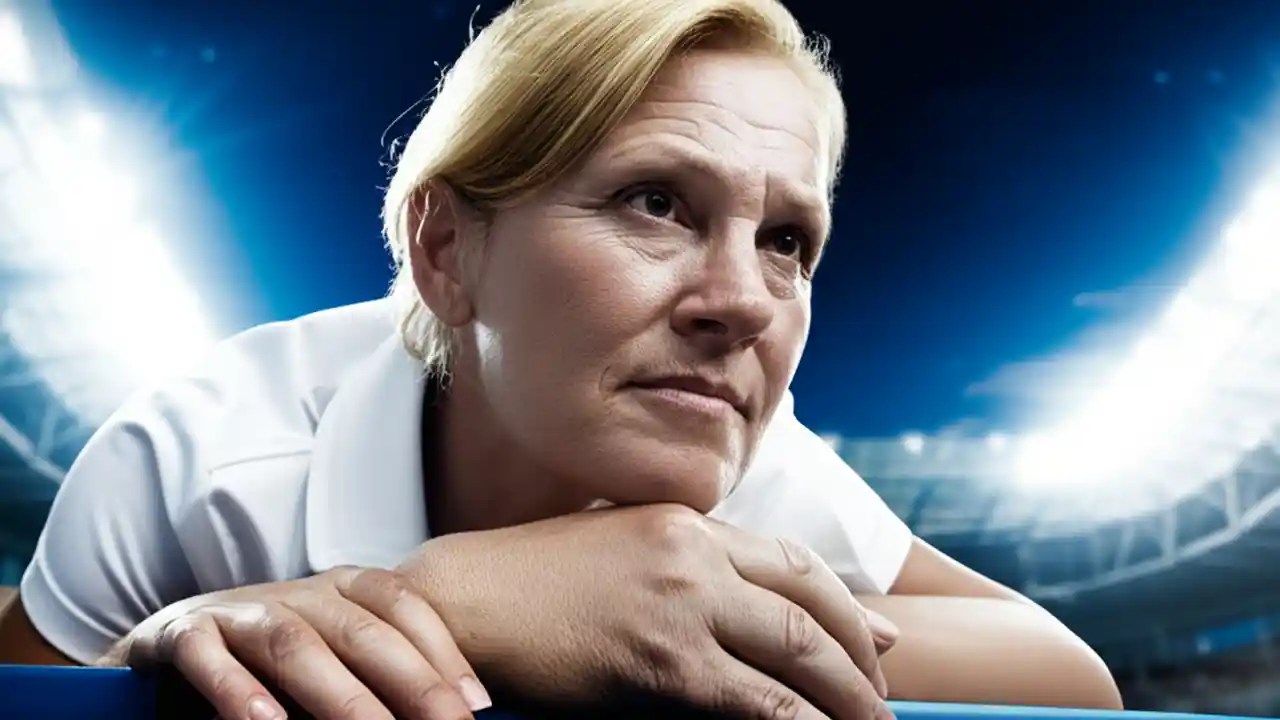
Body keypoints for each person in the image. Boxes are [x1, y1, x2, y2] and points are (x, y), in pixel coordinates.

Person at [0, 0, 1123, 718]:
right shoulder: (199, 455)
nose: (741, 303)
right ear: (445, 248)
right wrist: (158, 667)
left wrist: (640, 595)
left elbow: (1068, 677)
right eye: (653, 202)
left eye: (786, 240)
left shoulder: (760, 461)